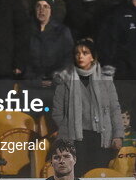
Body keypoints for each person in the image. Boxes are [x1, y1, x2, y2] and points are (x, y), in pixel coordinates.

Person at [52, 38, 124, 169]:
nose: (80, 56)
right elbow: (58, 112)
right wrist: (66, 130)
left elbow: (114, 109)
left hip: (101, 137)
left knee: (98, 177)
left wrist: (117, 135)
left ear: (93, 57)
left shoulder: (105, 79)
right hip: (74, 139)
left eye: (85, 53)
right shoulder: (64, 79)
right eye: (77, 53)